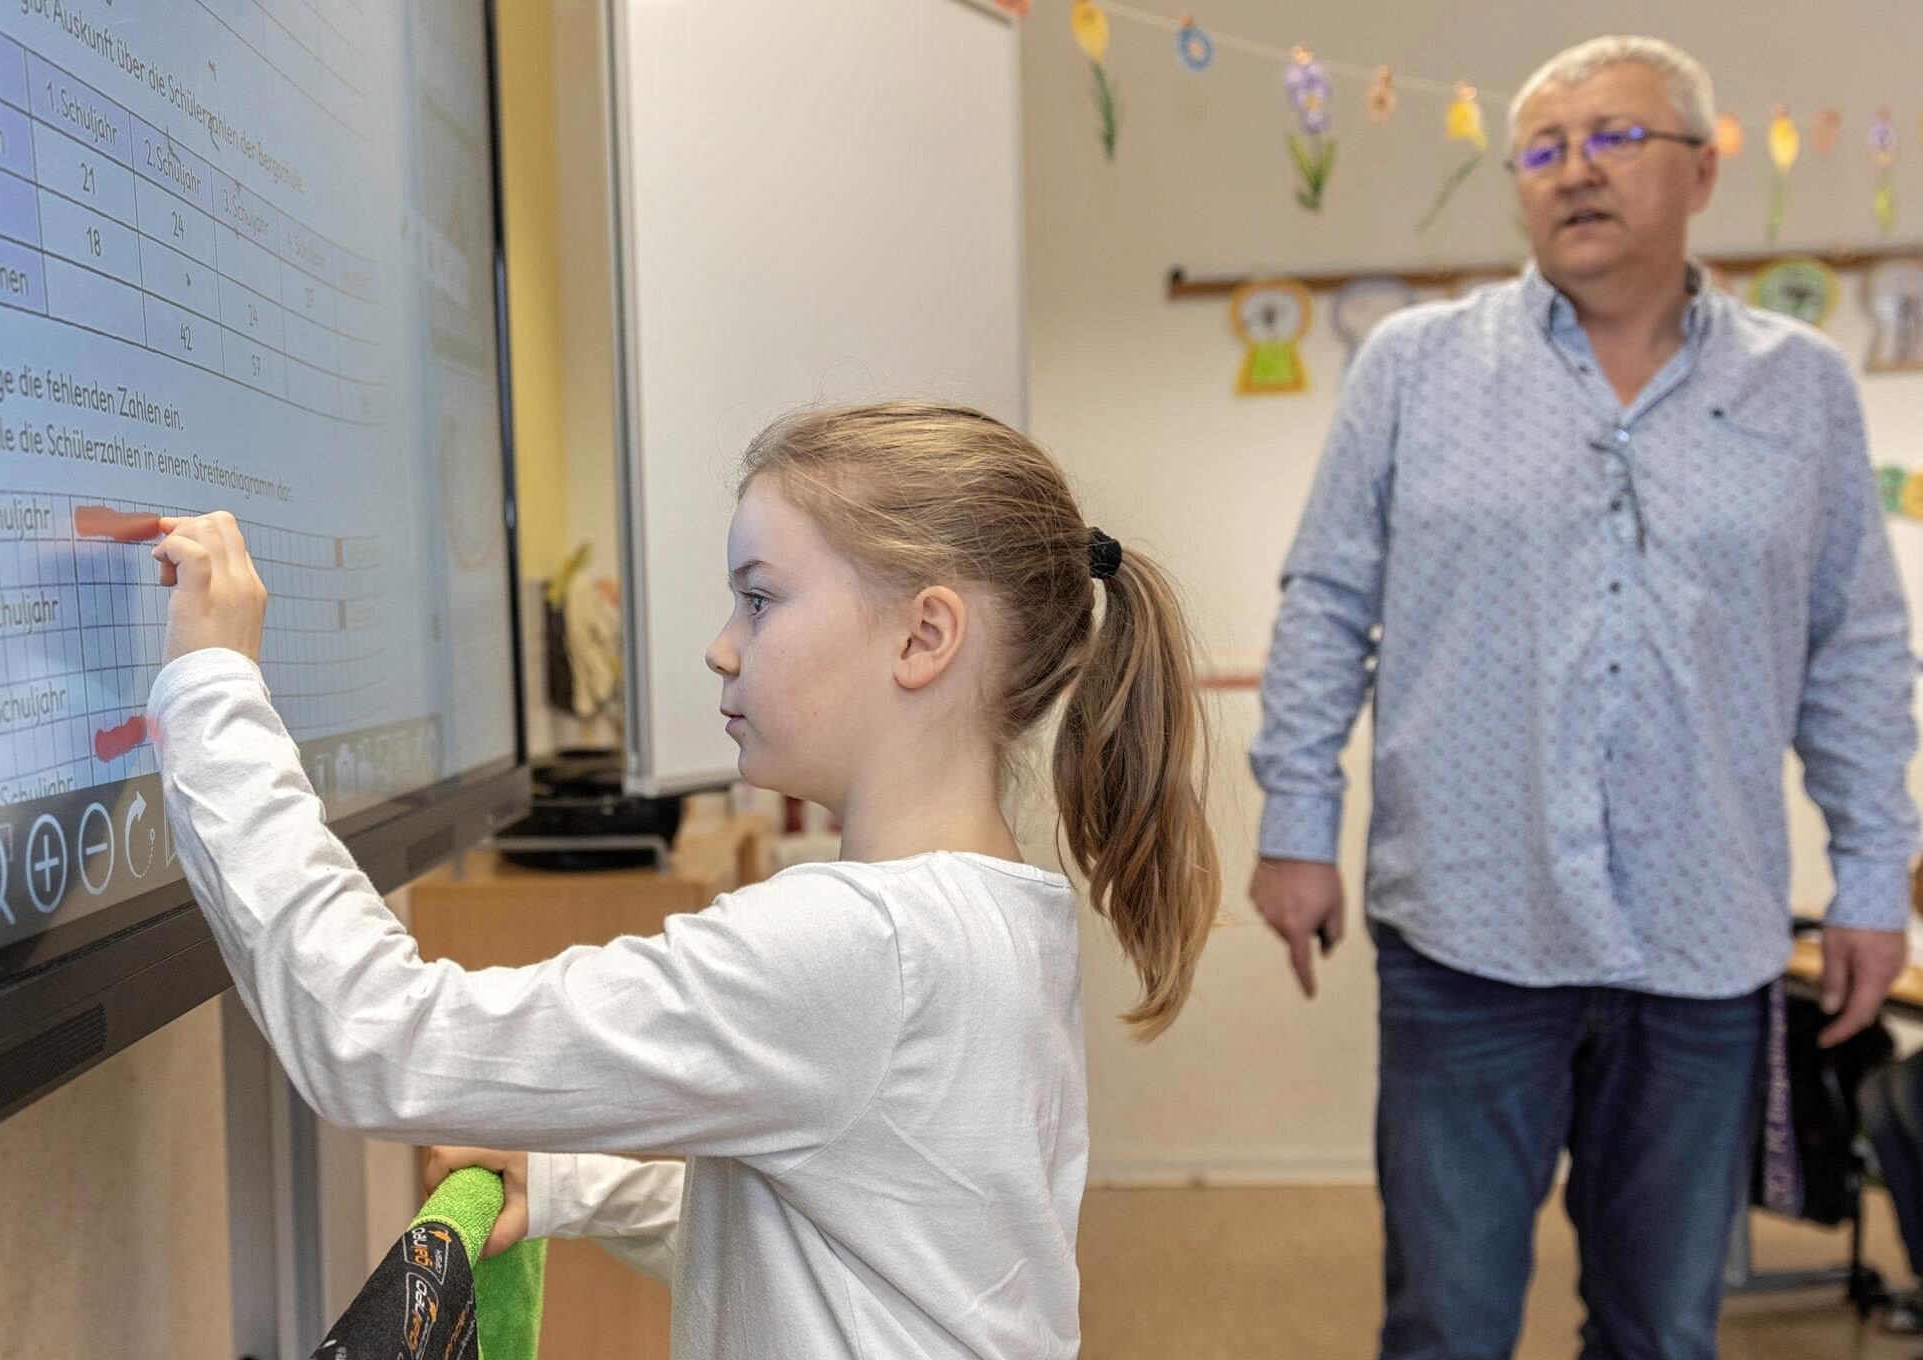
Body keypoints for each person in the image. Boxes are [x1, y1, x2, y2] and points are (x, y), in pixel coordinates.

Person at [145, 402, 1221, 1359]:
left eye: (760, 600)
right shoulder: (992, 912)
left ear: (925, 635)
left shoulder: (854, 947)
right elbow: (856, 1231)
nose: (720, 646)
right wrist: (577, 1180)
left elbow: (385, 1041)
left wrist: (212, 689)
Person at [1247, 34, 1919, 1360]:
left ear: (1705, 171)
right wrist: (1294, 824)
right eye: (1545, 151)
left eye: (1614, 138)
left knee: (1663, 1330)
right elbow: (1326, 600)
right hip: (1468, 932)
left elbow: (1855, 649)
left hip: (1704, 945)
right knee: (1446, 1322)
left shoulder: (1802, 391)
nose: (1575, 173)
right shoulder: (1415, 368)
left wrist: (1872, 875)